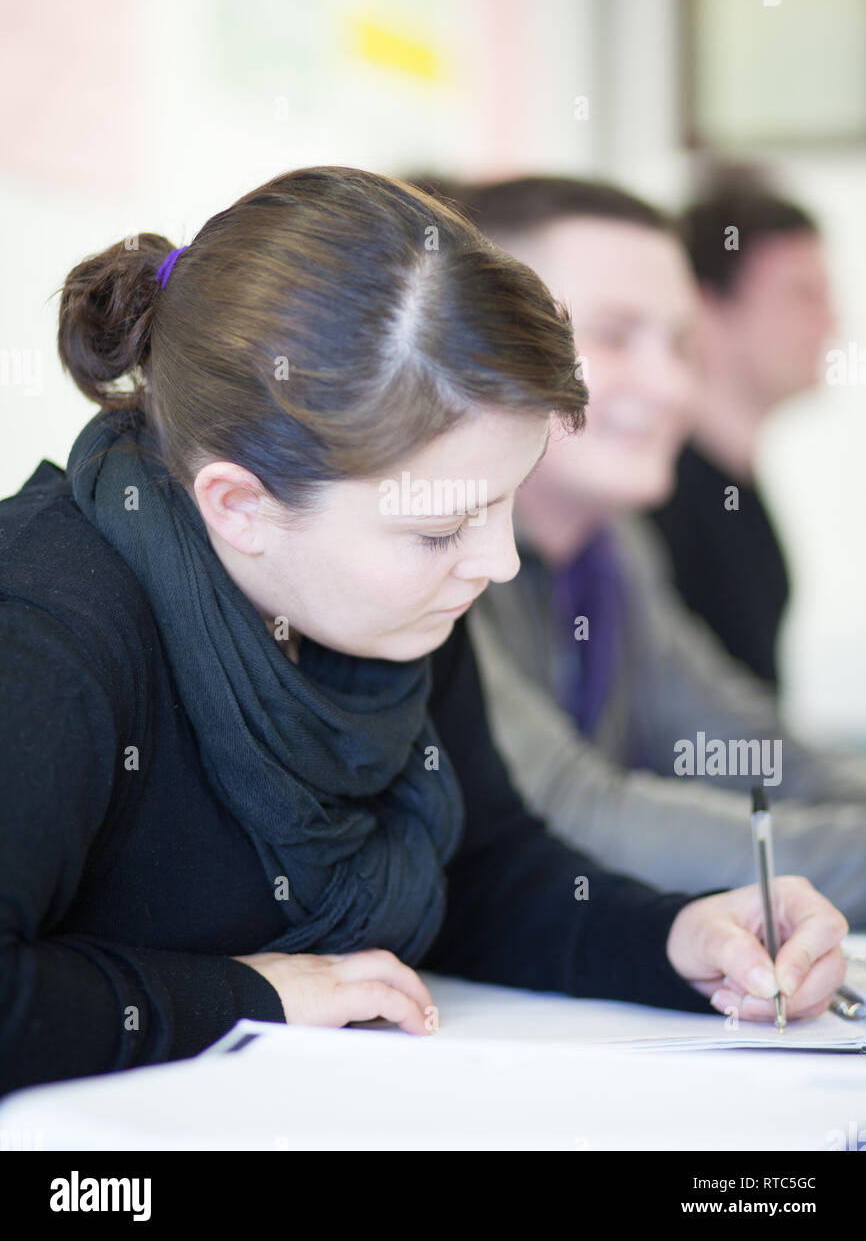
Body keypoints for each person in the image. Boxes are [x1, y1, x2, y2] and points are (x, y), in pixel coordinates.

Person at [0, 166, 847, 1097]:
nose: (499, 564)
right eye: (440, 527)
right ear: (240, 505)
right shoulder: (51, 634)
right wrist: (242, 998)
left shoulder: (397, 608)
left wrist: (673, 939)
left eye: (503, 503)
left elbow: (484, 870)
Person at [404, 173, 866, 925]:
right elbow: (576, 810)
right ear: (477, 349)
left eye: (681, 345)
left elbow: (747, 747)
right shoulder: (426, 547)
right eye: (616, 337)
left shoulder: (616, 546)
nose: (671, 386)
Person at [650, 180, 835, 687]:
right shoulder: (657, 501)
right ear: (706, 310)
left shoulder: (736, 485)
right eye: (803, 297)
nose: (830, 324)